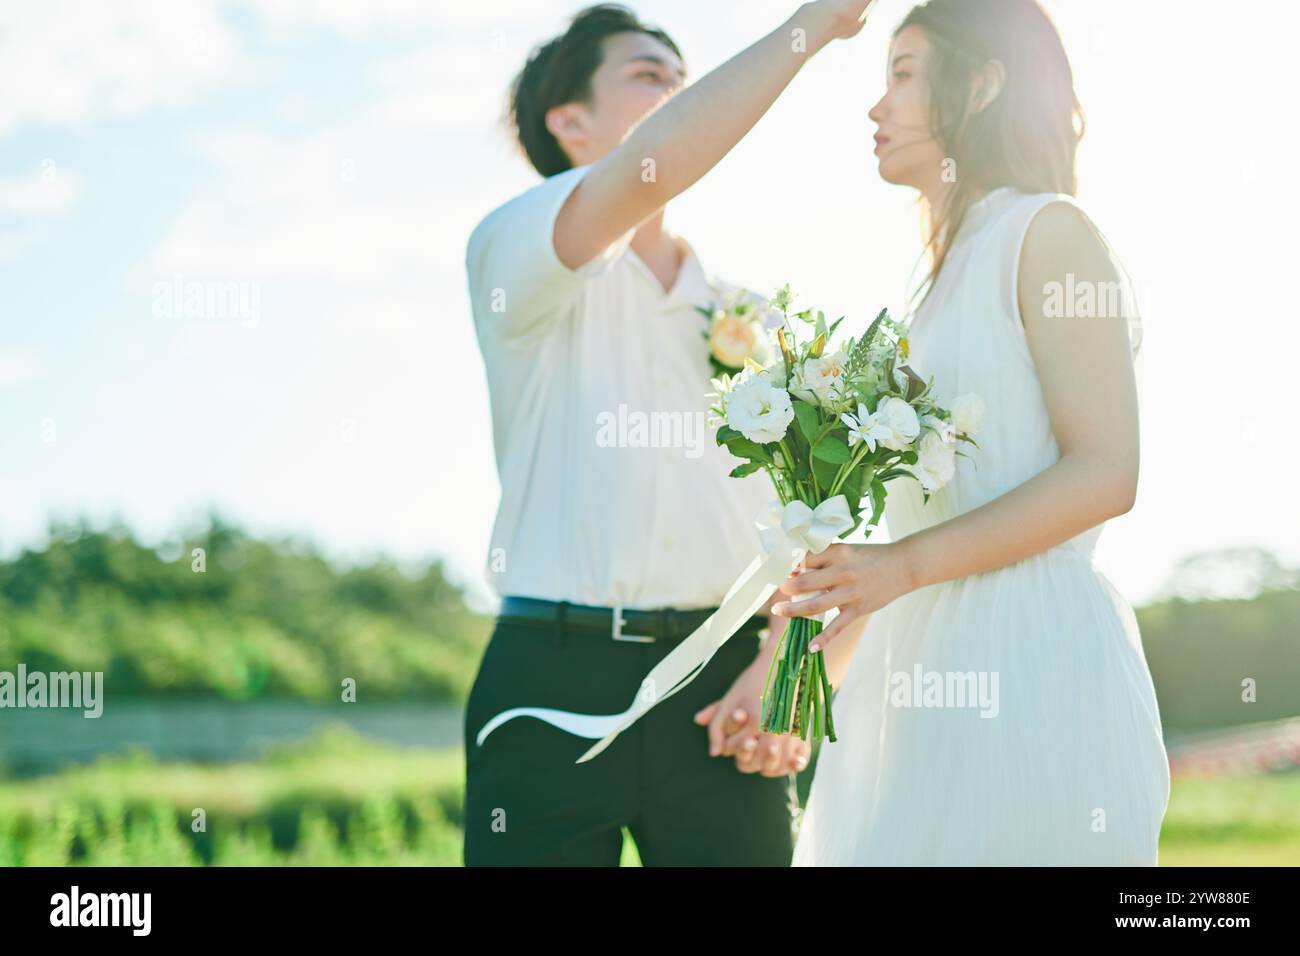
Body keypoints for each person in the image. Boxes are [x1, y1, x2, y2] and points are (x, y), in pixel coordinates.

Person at [462, 1, 875, 865]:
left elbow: (816, 527)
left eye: (685, 81)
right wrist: (815, 23)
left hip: (722, 691)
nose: (684, 96)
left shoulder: (756, 317)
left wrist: (788, 668)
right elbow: (646, 171)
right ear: (568, 121)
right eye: (650, 76)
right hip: (548, 676)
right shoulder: (515, 249)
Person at [773, 0, 1170, 864]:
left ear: (985, 84)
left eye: (904, 74)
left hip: (1029, 659)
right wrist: (795, 684)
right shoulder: (933, 283)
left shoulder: (1050, 232)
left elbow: (1107, 471)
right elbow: (915, 535)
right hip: (910, 677)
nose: (877, 108)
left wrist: (895, 568)